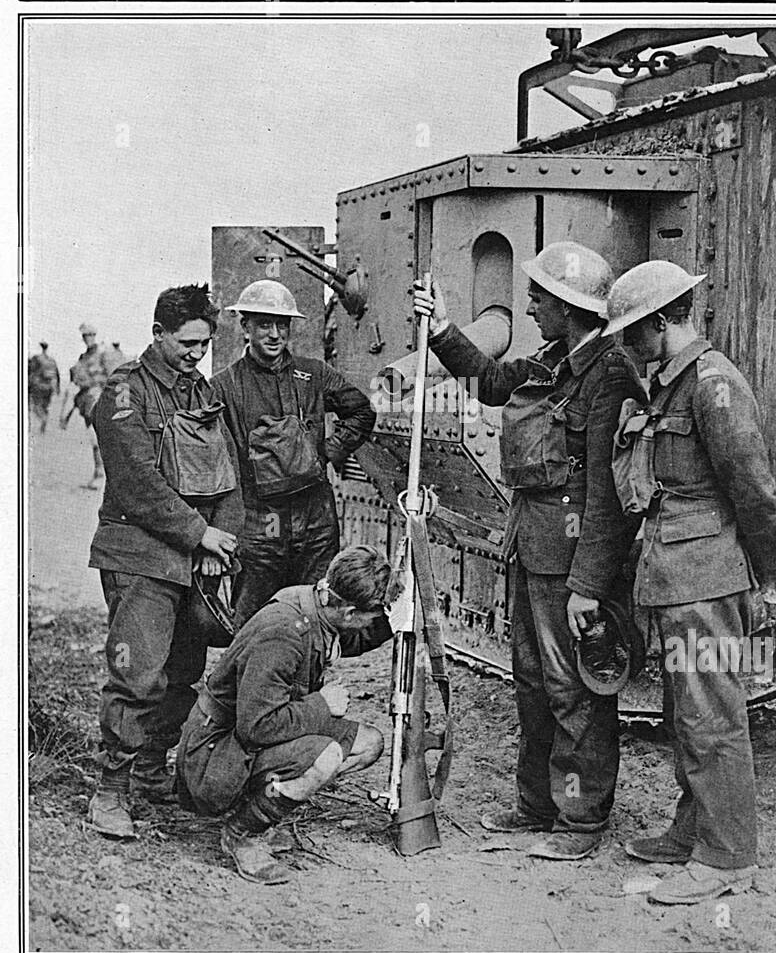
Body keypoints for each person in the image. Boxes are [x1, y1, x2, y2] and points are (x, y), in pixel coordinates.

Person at [415, 243, 646, 861]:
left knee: (574, 689)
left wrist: (589, 586)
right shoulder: (555, 361)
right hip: (534, 549)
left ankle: (578, 821)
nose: (530, 305)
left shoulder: (610, 375)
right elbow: (491, 382)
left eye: (540, 297)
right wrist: (441, 328)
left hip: (572, 564)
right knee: (534, 684)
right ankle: (536, 804)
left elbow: (608, 496)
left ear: (569, 306)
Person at [604, 260, 776, 904]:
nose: (626, 346)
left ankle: (727, 856)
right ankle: (693, 830)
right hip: (676, 577)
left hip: (707, 582)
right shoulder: (671, 385)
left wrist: (769, 582)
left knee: (713, 715)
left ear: (660, 322)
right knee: (687, 712)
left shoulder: (712, 386)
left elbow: (757, 494)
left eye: (630, 333)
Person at [86, 283, 244, 840]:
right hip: (139, 555)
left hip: (192, 558)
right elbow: (135, 484)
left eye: (203, 344)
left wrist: (222, 542)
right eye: (186, 344)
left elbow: (225, 473)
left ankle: (150, 769)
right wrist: (200, 534)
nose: (196, 354)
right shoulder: (123, 390)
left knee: (184, 671)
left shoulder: (200, 391)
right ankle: (110, 790)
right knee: (139, 675)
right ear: (158, 334)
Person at [176, 545, 390, 884]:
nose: (372, 624)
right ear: (349, 613)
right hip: (214, 756)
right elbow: (256, 727)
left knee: (368, 743)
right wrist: (322, 705)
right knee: (327, 756)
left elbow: (352, 640)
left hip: (243, 739)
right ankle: (242, 832)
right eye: (373, 617)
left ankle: (264, 805)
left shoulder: (315, 603)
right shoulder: (284, 633)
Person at [212, 279, 376, 630]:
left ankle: (309, 686)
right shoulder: (224, 385)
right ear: (245, 327)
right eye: (264, 324)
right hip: (260, 527)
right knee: (253, 622)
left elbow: (362, 411)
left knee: (319, 615)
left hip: (316, 522)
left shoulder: (313, 374)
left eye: (281, 325)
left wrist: (326, 453)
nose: (274, 334)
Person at [60, 322, 109, 487]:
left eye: (90, 335)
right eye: (85, 336)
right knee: (94, 440)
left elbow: (115, 378)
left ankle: (102, 476)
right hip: (87, 404)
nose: (88, 338)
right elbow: (75, 383)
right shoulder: (83, 358)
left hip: (101, 402)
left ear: (94, 336)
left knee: (101, 441)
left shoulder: (103, 354)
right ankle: (99, 474)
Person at [28, 340, 60, 433]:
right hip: (49, 387)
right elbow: (57, 374)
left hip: (38, 386)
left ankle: (43, 419)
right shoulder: (51, 360)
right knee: (45, 407)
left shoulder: (36, 358)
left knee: (36, 406)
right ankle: (44, 423)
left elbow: (31, 372)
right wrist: (58, 388)